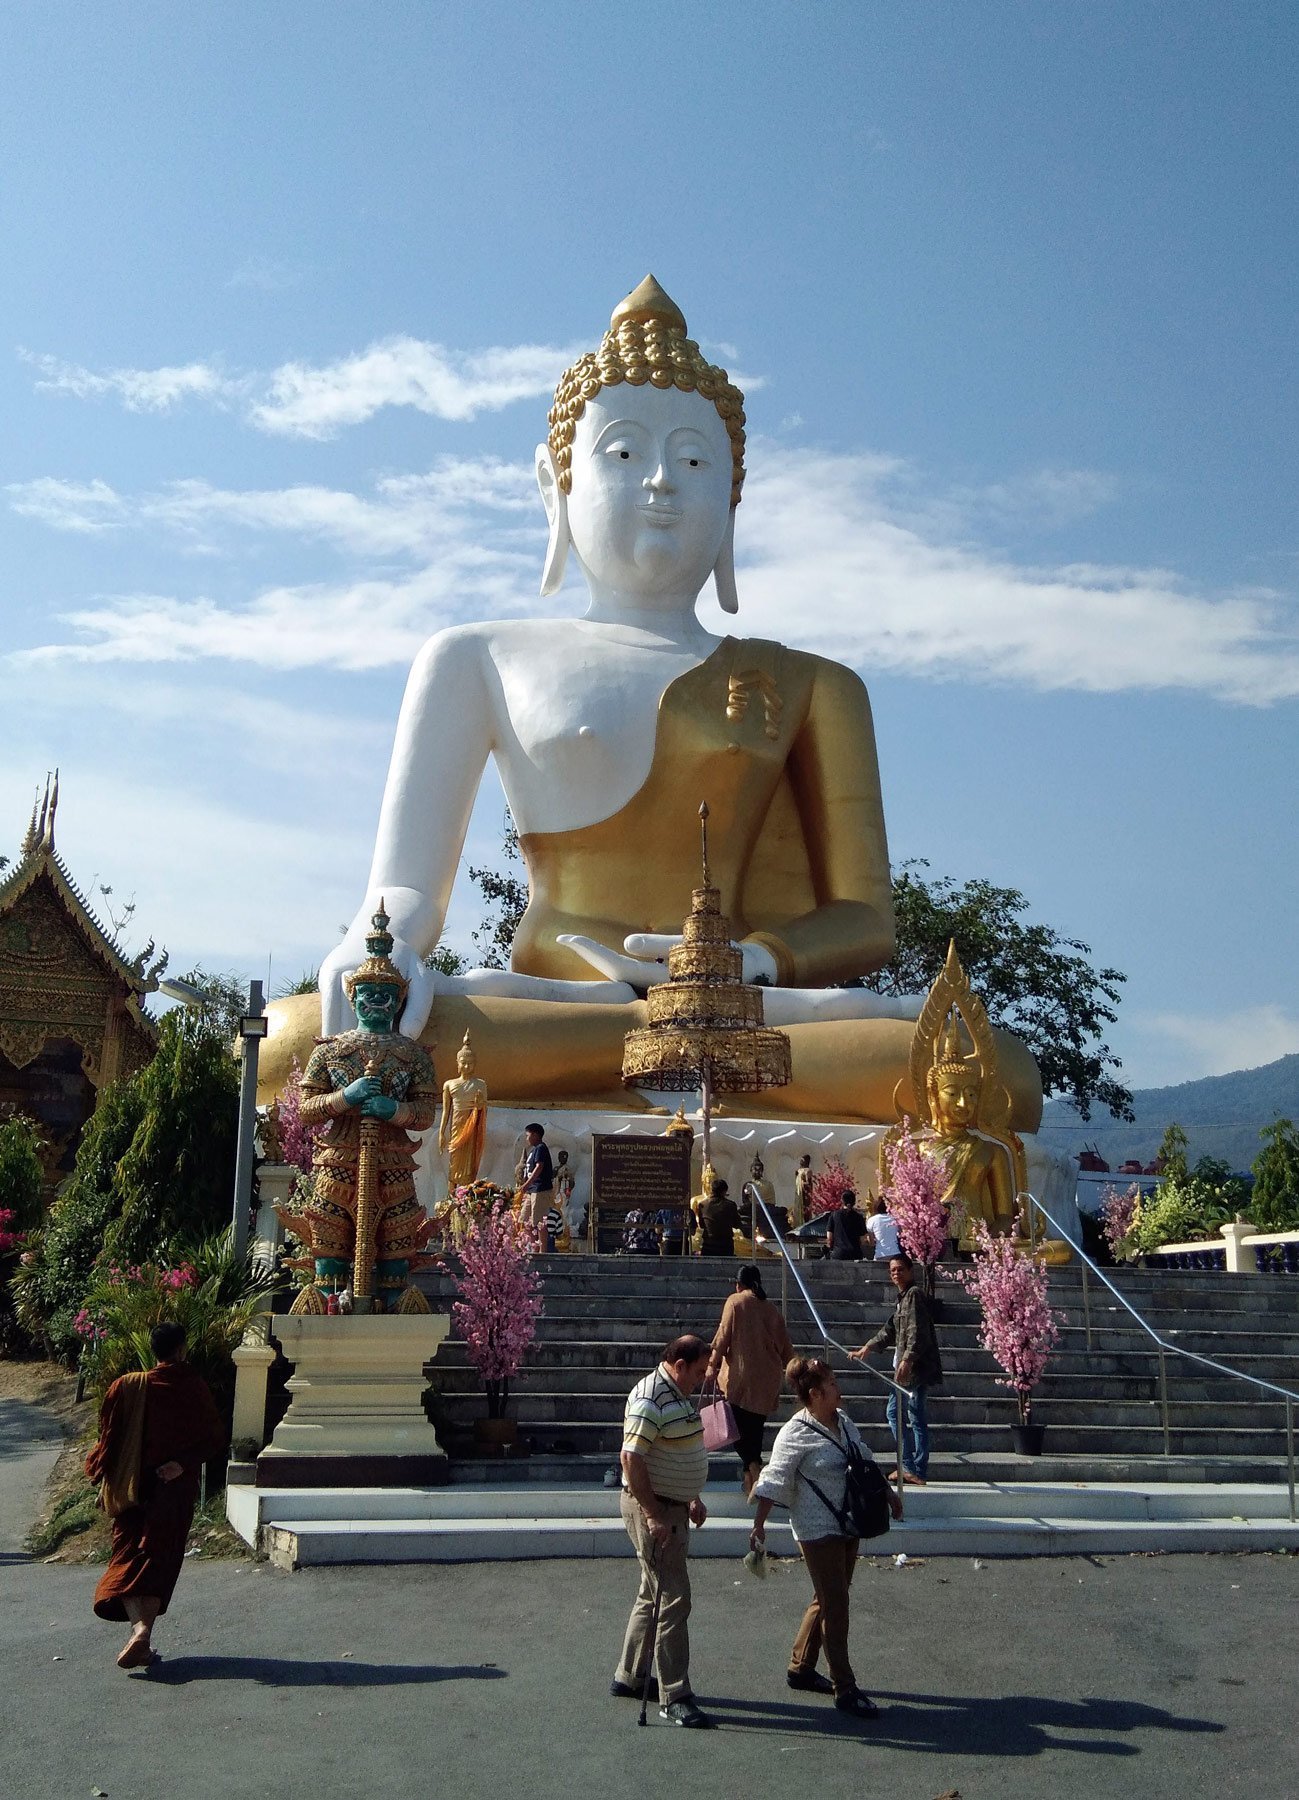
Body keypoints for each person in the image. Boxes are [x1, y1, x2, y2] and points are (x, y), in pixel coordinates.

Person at [749, 1357, 900, 1717]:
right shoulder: (795, 1432)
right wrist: (759, 1525)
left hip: (849, 1522)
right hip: (816, 1529)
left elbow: (864, 1458)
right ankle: (844, 1688)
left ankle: (800, 1667)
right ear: (815, 1394)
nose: (838, 1389)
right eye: (832, 1384)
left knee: (830, 1596)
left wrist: (888, 1493)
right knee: (836, 1604)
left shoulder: (843, 1421)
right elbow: (774, 1478)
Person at [84, 1321, 226, 1670]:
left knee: (128, 1561)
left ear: (154, 1350)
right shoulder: (191, 1386)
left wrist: (104, 1480)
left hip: (133, 1490)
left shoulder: (125, 1387)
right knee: (157, 1564)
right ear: (181, 1350)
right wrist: (181, 1463)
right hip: (172, 1490)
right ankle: (142, 1634)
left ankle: (141, 1635)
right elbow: (213, 1438)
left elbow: (109, 1442)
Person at [612, 1334, 713, 1728]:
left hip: (672, 1506)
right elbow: (630, 1458)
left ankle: (630, 1675)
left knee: (650, 1592)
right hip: (654, 1509)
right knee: (673, 1597)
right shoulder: (650, 1398)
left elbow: (676, 1448)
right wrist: (653, 1513)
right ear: (680, 1365)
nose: (704, 1379)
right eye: (700, 1371)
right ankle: (675, 1695)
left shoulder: (676, 1392)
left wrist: (691, 1495)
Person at [851, 1252, 943, 1486]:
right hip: (913, 1366)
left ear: (910, 1271)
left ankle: (910, 1467)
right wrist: (868, 1347)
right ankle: (916, 1469)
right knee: (915, 1416)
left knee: (895, 1413)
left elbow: (916, 1331)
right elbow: (891, 1328)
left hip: (914, 1367)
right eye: (892, 1270)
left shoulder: (913, 1295)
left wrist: (907, 1360)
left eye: (900, 1269)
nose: (896, 1274)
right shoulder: (904, 1297)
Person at [705, 1265, 795, 1497]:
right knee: (755, 1429)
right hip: (767, 1378)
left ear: (739, 1284)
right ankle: (751, 1481)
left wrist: (712, 1364)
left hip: (740, 1376)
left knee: (736, 1430)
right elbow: (786, 1347)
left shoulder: (735, 1302)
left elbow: (723, 1336)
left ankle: (754, 1468)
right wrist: (796, 1370)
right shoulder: (771, 1309)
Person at [517, 1122, 554, 1249]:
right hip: (531, 1191)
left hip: (540, 1189)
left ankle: (542, 1251)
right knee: (525, 1219)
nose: (527, 1139)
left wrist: (527, 1183)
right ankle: (533, 1247)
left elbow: (539, 1166)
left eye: (528, 1135)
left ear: (535, 1135)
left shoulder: (540, 1148)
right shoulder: (533, 1151)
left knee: (539, 1221)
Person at [697, 1176, 741, 1256]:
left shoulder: (702, 1205)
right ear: (724, 1191)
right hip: (725, 1246)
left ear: (711, 1190)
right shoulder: (730, 1205)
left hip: (708, 1245)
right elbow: (737, 1224)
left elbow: (702, 1225)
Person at [826, 1189, 867, 1261]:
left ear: (842, 1201)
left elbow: (829, 1237)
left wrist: (830, 1247)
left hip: (838, 1253)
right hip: (855, 1254)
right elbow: (863, 1239)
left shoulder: (834, 1215)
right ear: (854, 1202)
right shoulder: (859, 1217)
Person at [863, 1193, 902, 1262]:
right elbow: (901, 1234)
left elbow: (872, 1243)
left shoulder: (872, 1220)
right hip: (895, 1253)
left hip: (880, 1254)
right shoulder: (895, 1219)